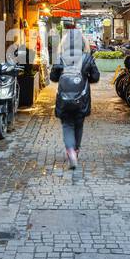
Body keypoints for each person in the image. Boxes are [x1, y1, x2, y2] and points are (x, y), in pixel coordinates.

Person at [49, 20, 100, 170]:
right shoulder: (87, 58)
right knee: (79, 123)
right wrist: (85, 79)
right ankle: (75, 150)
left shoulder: (60, 57)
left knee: (67, 124)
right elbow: (96, 77)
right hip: (82, 99)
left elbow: (53, 78)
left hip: (64, 99)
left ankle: (70, 149)